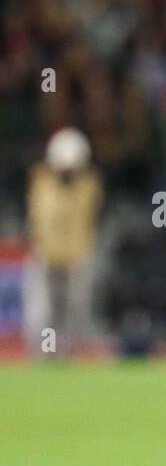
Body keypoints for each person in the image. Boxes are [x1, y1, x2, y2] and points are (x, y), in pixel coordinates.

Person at [25, 127, 103, 355]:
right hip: (46, 255)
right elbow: (42, 218)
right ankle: (42, 354)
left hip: (77, 255)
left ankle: (68, 353)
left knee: (74, 309)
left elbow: (87, 218)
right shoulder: (42, 181)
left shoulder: (88, 185)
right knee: (43, 310)